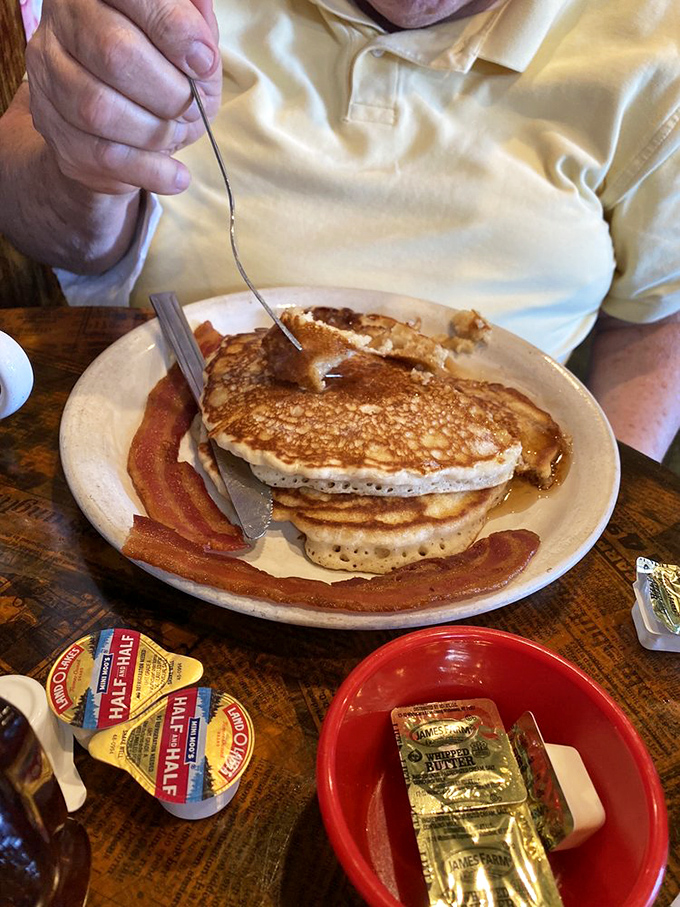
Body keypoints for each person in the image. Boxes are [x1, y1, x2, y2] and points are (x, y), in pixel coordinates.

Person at [0, 0, 678, 460]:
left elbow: (658, 319)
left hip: (495, 511)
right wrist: (85, 158)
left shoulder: (656, 41)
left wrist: (591, 517)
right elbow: (33, 211)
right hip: (138, 442)